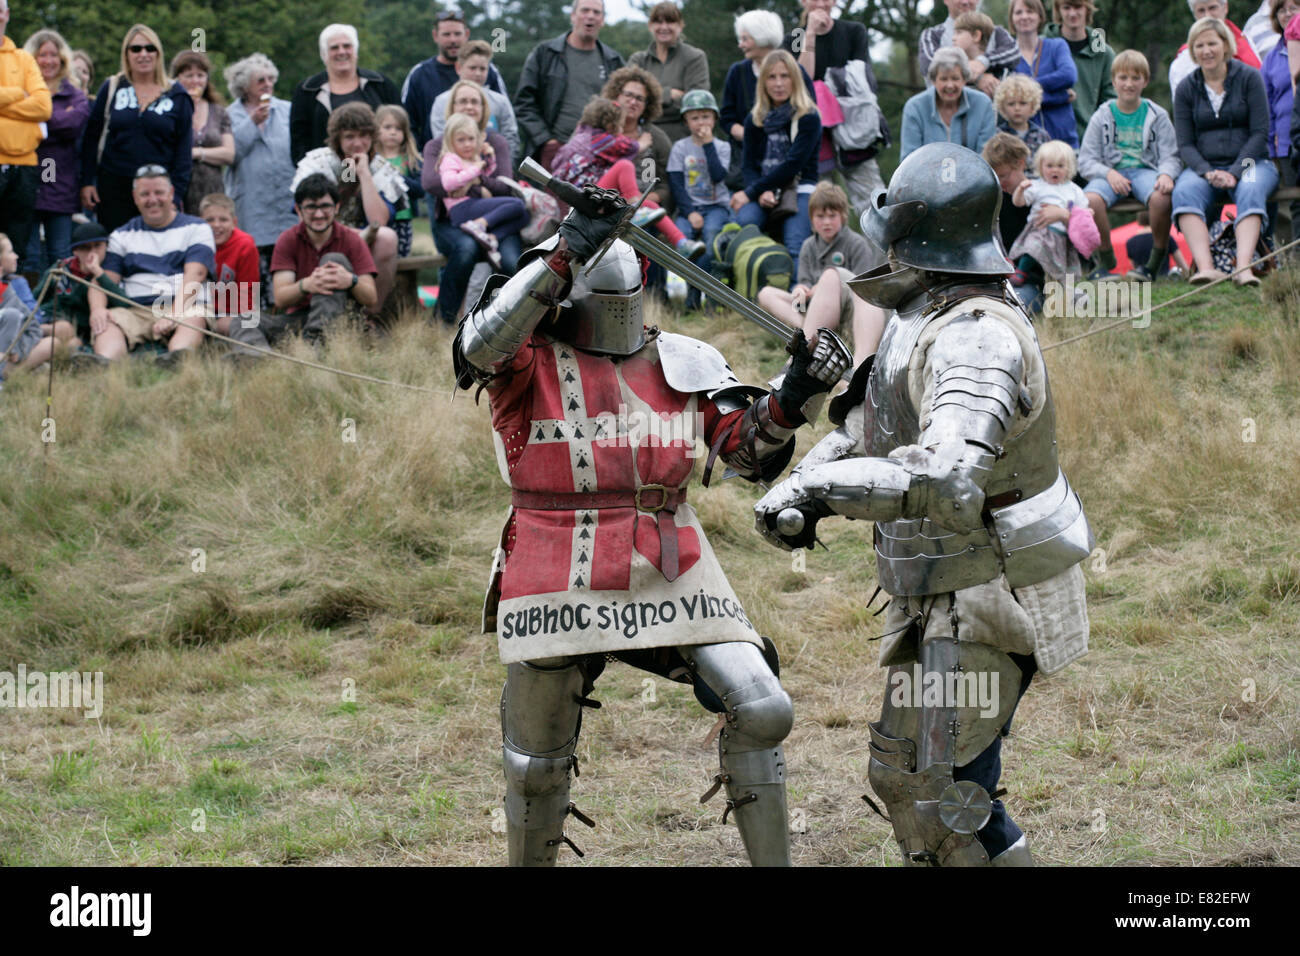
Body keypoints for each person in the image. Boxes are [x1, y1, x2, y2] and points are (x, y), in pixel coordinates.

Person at [452, 183, 852, 867]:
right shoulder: (526, 358)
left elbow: (744, 454)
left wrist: (793, 395)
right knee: (534, 765)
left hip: (669, 557)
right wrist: (565, 249)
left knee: (763, 707)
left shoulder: (681, 359)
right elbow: (478, 347)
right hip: (555, 556)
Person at [754, 140, 1095, 868]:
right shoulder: (920, 313)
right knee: (905, 776)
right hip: (940, 581)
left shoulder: (977, 334)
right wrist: (801, 483)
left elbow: (946, 479)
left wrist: (816, 492)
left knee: (947, 791)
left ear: (916, 227)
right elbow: (867, 428)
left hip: (990, 580)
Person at [1173, 16, 1277, 286]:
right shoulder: (1186, 88)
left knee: (1251, 189)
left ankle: (1244, 268)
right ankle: (1207, 268)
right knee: (1183, 191)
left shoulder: (1249, 78)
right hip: (1204, 169)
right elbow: (1185, 143)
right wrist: (1207, 172)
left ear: (1226, 45)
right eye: (1199, 45)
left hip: (1251, 166)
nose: (1206, 51)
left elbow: (1259, 133)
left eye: (1211, 44)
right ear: (1192, 51)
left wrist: (1234, 172)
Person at [226, 175, 376, 357]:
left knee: (334, 260)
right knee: (243, 320)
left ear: (336, 208)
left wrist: (350, 281)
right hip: (299, 318)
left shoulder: (351, 240)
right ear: (299, 210)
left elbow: (371, 298)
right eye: (311, 207)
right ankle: (259, 359)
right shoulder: (288, 239)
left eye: (325, 206)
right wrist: (307, 285)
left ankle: (317, 343)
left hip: (342, 320)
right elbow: (281, 298)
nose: (319, 214)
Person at [422, 80, 524, 324]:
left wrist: (468, 184)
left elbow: (504, 186)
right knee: (466, 249)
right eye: (462, 101)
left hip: (496, 219)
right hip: (453, 222)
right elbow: (431, 184)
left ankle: (506, 325)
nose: (469, 106)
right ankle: (442, 323)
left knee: (512, 262)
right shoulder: (436, 145)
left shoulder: (496, 142)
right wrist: (481, 186)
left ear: (483, 108)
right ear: (451, 107)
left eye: (474, 101)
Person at [88, 167, 214, 363]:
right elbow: (103, 281)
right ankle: (103, 364)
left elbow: (195, 275)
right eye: (145, 194)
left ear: (171, 193)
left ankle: (177, 359)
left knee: (194, 319)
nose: (152, 200)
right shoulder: (121, 235)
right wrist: (97, 310)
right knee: (107, 323)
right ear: (135, 197)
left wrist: (173, 314)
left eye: (159, 193)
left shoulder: (197, 228)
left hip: (185, 306)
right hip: (136, 311)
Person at [553, 96, 704, 258]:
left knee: (650, 204)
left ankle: (681, 243)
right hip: (586, 199)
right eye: (620, 125)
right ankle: (635, 208)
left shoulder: (582, 133)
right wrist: (643, 143)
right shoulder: (598, 139)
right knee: (624, 165)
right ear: (611, 125)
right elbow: (626, 146)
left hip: (590, 196)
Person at [291, 102, 405, 312]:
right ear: (338, 139)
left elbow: (378, 222)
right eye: (350, 137)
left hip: (364, 242)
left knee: (387, 237)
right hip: (321, 237)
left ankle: (371, 315)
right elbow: (305, 217)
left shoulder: (379, 168)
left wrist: (363, 174)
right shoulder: (318, 162)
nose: (358, 143)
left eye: (364, 136)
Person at [757, 181, 884, 368]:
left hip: (846, 312)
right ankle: (806, 330)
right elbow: (804, 281)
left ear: (843, 216)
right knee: (766, 293)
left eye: (832, 216)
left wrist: (825, 287)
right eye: (820, 216)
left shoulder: (856, 244)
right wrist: (800, 289)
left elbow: (863, 293)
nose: (826, 222)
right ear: (811, 219)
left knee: (833, 277)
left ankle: (809, 341)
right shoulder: (808, 245)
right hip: (811, 307)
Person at [80, 25, 193, 235]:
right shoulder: (112, 87)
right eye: (136, 49)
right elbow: (91, 138)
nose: (143, 54)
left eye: (150, 48)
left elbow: (184, 151)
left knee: (157, 255)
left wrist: (175, 194)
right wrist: (87, 182)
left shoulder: (177, 94)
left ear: (158, 53)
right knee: (115, 252)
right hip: (113, 189)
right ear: (126, 54)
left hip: (158, 193)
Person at [1079, 50, 1181, 281]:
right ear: (1113, 81)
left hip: (1146, 171)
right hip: (1110, 173)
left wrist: (1166, 174)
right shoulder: (1102, 115)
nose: (1129, 84)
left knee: (1161, 197)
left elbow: (1171, 155)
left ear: (1145, 81)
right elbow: (1086, 160)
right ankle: (1106, 261)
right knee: (1090, 200)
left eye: (1136, 78)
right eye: (1123, 78)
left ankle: (1154, 263)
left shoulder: (1157, 115)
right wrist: (1109, 173)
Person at [731, 50, 822, 262]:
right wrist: (760, 191)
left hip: (800, 186)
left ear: (795, 79)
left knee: (795, 241)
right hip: (764, 187)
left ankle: (797, 293)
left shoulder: (809, 116)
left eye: (785, 76)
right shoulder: (754, 120)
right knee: (746, 225)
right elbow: (748, 166)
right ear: (763, 82)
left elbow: (793, 164)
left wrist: (755, 189)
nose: (778, 83)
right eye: (772, 77)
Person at [224, 53, 297, 311]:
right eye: (260, 80)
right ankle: (261, 317)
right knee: (257, 264)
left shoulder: (287, 110)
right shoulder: (229, 115)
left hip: (285, 201)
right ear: (244, 86)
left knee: (288, 258)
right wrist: (252, 123)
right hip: (252, 201)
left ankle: (289, 316)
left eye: (270, 79)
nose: (267, 84)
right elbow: (230, 154)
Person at [514, 0, 625, 170]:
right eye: (585, 10)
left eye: (596, 12)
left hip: (599, 153)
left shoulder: (613, 61)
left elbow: (624, 106)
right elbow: (524, 103)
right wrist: (545, 140)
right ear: (573, 16)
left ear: (602, 20)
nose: (590, 16)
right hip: (555, 149)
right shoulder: (545, 53)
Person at [21, 29, 89, 276]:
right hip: (26, 183)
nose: (48, 60)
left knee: (59, 257)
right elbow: (14, 125)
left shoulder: (74, 94)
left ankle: (57, 309)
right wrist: (58, 119)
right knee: (26, 257)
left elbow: (74, 124)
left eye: (53, 54)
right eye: (42, 55)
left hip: (60, 186)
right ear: (33, 58)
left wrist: (37, 116)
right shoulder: (21, 88)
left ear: (62, 58)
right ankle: (29, 310)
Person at [289, 24, 400, 164]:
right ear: (324, 54)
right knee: (348, 183)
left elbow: (402, 125)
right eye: (334, 48)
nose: (341, 52)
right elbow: (299, 142)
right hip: (328, 173)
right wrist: (313, 175)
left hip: (378, 168)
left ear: (355, 51)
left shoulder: (380, 84)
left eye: (347, 46)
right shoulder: (307, 90)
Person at [402, 8, 509, 151]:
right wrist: (422, 160)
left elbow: (506, 118)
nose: (453, 40)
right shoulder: (419, 74)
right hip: (434, 159)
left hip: (486, 159)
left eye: (457, 34)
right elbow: (407, 124)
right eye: (446, 34)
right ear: (435, 36)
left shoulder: (489, 71)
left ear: (467, 34)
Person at [0, 1, 53, 275]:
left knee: (16, 248)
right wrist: (17, 94)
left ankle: (15, 310)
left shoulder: (23, 58)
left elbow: (44, 107)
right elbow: (32, 103)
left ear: (7, 14)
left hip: (25, 166)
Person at [438, 113, 528, 271]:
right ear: (451, 141)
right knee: (517, 204)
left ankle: (492, 237)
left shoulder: (472, 158)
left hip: (474, 205)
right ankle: (479, 224)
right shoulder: (450, 158)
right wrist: (475, 170)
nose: (467, 144)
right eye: (461, 140)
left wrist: (489, 158)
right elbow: (449, 183)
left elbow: (487, 175)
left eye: (471, 139)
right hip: (461, 208)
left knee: (524, 215)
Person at [668, 89, 733, 308]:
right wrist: (690, 212)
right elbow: (676, 183)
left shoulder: (723, 147)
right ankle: (692, 292)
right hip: (690, 207)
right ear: (686, 121)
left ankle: (711, 293)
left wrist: (707, 145)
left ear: (714, 118)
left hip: (716, 206)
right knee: (683, 237)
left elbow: (718, 175)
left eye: (705, 116)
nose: (700, 122)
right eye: (694, 118)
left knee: (710, 236)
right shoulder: (680, 148)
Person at [1008, 139, 1093, 287]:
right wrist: (1020, 189)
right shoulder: (1037, 186)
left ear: (1069, 167)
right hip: (1039, 230)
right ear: (1040, 167)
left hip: (1062, 237)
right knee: (1033, 248)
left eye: (1060, 166)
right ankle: (1021, 271)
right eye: (1049, 166)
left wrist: (1087, 213)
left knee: (1065, 270)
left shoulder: (1074, 190)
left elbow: (1081, 214)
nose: (1055, 170)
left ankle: (1073, 293)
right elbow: (1019, 202)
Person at [37, 221, 123, 359]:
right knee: (64, 328)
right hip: (53, 320)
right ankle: (33, 332)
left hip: (83, 331)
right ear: (75, 251)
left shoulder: (112, 271)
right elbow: (37, 296)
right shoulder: (62, 268)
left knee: (73, 345)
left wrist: (98, 273)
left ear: (106, 246)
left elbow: (124, 302)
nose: (92, 252)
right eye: (85, 248)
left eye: (97, 246)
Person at [628, 2, 709, 144]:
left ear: (680, 25)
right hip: (645, 142)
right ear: (650, 25)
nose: (664, 27)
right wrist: (667, 94)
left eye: (670, 21)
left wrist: (648, 99)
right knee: (649, 167)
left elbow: (697, 104)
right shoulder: (638, 60)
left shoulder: (695, 57)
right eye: (658, 22)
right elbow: (628, 101)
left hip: (683, 143)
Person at [602, 65, 675, 216]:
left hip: (643, 212)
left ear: (647, 105)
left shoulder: (657, 137)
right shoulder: (597, 129)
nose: (633, 102)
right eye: (628, 95)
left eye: (640, 98)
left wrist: (648, 198)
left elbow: (668, 184)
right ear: (617, 95)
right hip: (602, 206)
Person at [428, 40, 520, 161]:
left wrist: (505, 167)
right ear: (458, 68)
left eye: (483, 69)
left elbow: (511, 138)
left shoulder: (500, 102)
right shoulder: (442, 102)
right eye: (472, 68)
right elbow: (441, 140)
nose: (478, 73)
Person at [899, 47, 997, 159]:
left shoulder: (982, 104)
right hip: (927, 175)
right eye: (944, 79)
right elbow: (909, 159)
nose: (950, 85)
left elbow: (986, 158)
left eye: (955, 78)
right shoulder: (915, 107)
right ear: (933, 80)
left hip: (973, 175)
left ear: (965, 79)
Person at [1043, 0, 1115, 144]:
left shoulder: (1103, 52)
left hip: (1090, 141)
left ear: (1087, 9)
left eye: (1078, 7)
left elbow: (1110, 101)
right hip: (1048, 138)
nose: (1072, 13)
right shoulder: (1042, 45)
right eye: (1066, 7)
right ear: (1058, 10)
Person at [1008, 0, 1078, 147]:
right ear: (1012, 18)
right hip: (1025, 144)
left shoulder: (1056, 46)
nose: (1024, 16)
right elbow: (1010, 101)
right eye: (1019, 12)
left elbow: (1069, 75)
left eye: (1030, 11)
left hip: (1062, 139)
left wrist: (1026, 87)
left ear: (1040, 16)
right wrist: (1061, 96)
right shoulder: (1006, 54)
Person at [172, 51, 234, 216]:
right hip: (180, 190)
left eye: (200, 75)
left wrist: (196, 153)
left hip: (212, 189)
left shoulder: (218, 111)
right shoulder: (170, 109)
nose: (195, 81)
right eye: (189, 75)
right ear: (177, 78)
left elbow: (229, 154)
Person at [920, 0, 1020, 96]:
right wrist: (977, 77)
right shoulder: (932, 35)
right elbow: (930, 66)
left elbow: (1014, 53)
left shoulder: (996, 32)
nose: (965, 2)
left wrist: (983, 62)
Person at [1262, 0, 1300, 239]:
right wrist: (1270, 147)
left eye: (1293, 8)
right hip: (1286, 143)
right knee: (1296, 202)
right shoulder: (1271, 59)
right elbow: (1267, 109)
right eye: (1281, 10)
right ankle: (1295, 265)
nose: (1287, 14)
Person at [1170, 0, 1262, 94]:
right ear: (1194, 14)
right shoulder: (1185, 59)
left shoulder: (1246, 41)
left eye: (1212, 8)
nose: (1207, 16)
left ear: (1225, 7)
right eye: (1201, 10)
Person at [200, 193, 259, 335]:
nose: (216, 225)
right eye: (209, 220)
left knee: (230, 325)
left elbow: (248, 293)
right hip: (200, 309)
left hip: (232, 311)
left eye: (223, 220)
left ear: (234, 222)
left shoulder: (245, 245)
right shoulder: (196, 242)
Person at [375, 104, 423, 258]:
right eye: (387, 127)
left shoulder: (411, 159)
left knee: (402, 260)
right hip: (377, 220)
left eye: (398, 128)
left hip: (403, 218)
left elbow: (420, 189)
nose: (393, 132)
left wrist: (397, 177)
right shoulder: (371, 159)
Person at [982, 132, 1033, 253]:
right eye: (995, 177)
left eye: (1003, 176)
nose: (1000, 182)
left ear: (1021, 163)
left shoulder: (1037, 194)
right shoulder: (995, 200)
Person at [994, 73, 1051, 158]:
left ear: (1033, 105)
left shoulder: (1041, 136)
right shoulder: (997, 135)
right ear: (1002, 107)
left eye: (1023, 103)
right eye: (1011, 104)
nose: (1017, 108)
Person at [952, 10, 1015, 82]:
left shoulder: (1002, 70)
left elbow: (1014, 51)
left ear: (976, 35)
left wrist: (982, 62)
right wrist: (978, 79)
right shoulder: (953, 61)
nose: (953, 38)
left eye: (959, 32)